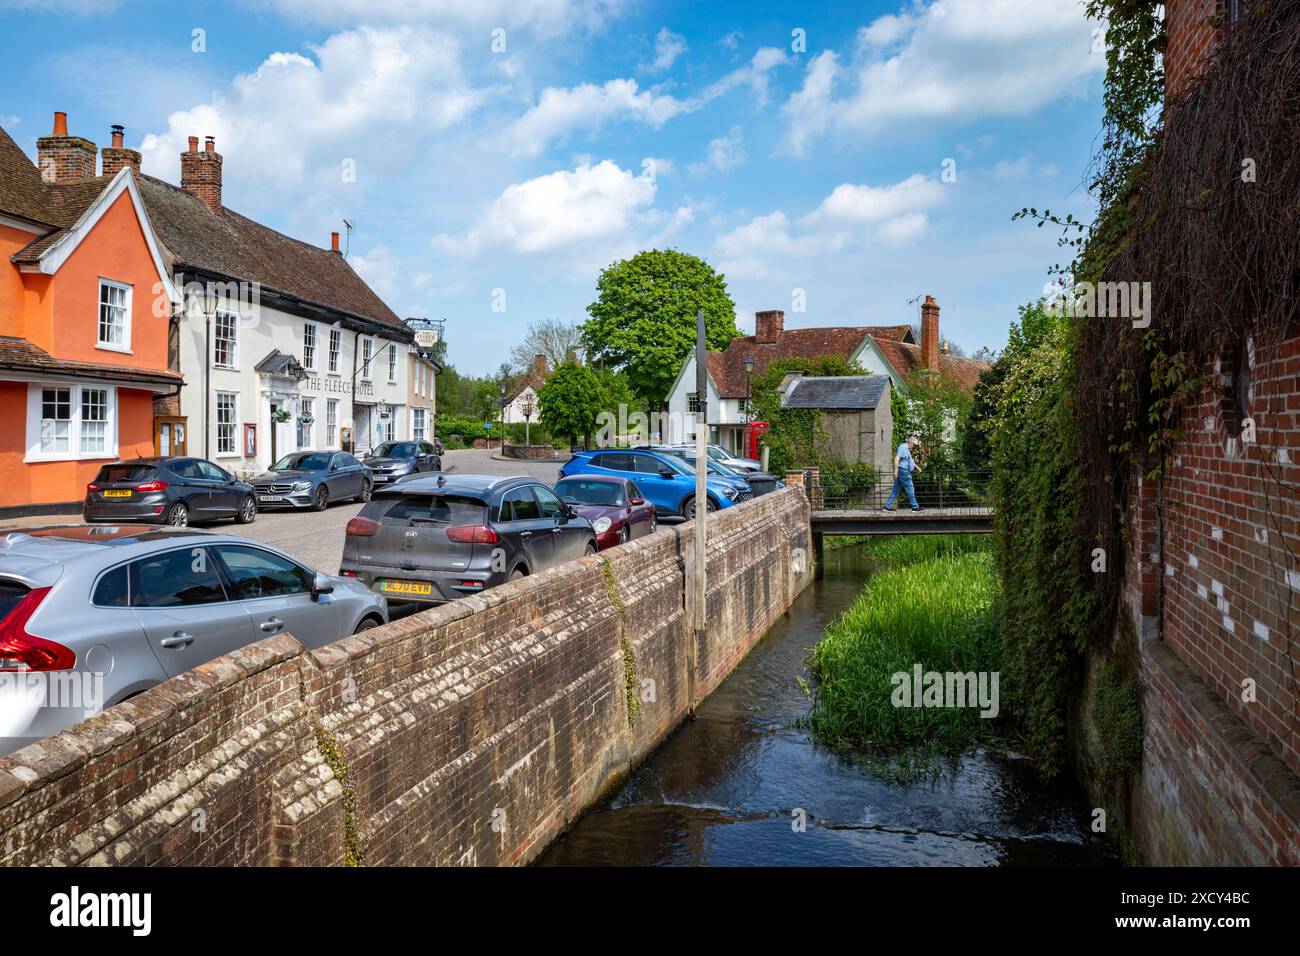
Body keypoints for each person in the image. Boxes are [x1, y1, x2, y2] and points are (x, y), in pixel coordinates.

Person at [884, 435, 922, 511]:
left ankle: (886, 507)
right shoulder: (903, 447)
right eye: (913, 444)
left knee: (895, 489)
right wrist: (895, 472)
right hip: (903, 471)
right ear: (910, 442)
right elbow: (897, 459)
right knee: (910, 487)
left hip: (902, 470)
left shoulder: (907, 449)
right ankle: (915, 507)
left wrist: (917, 468)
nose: (914, 446)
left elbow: (909, 460)